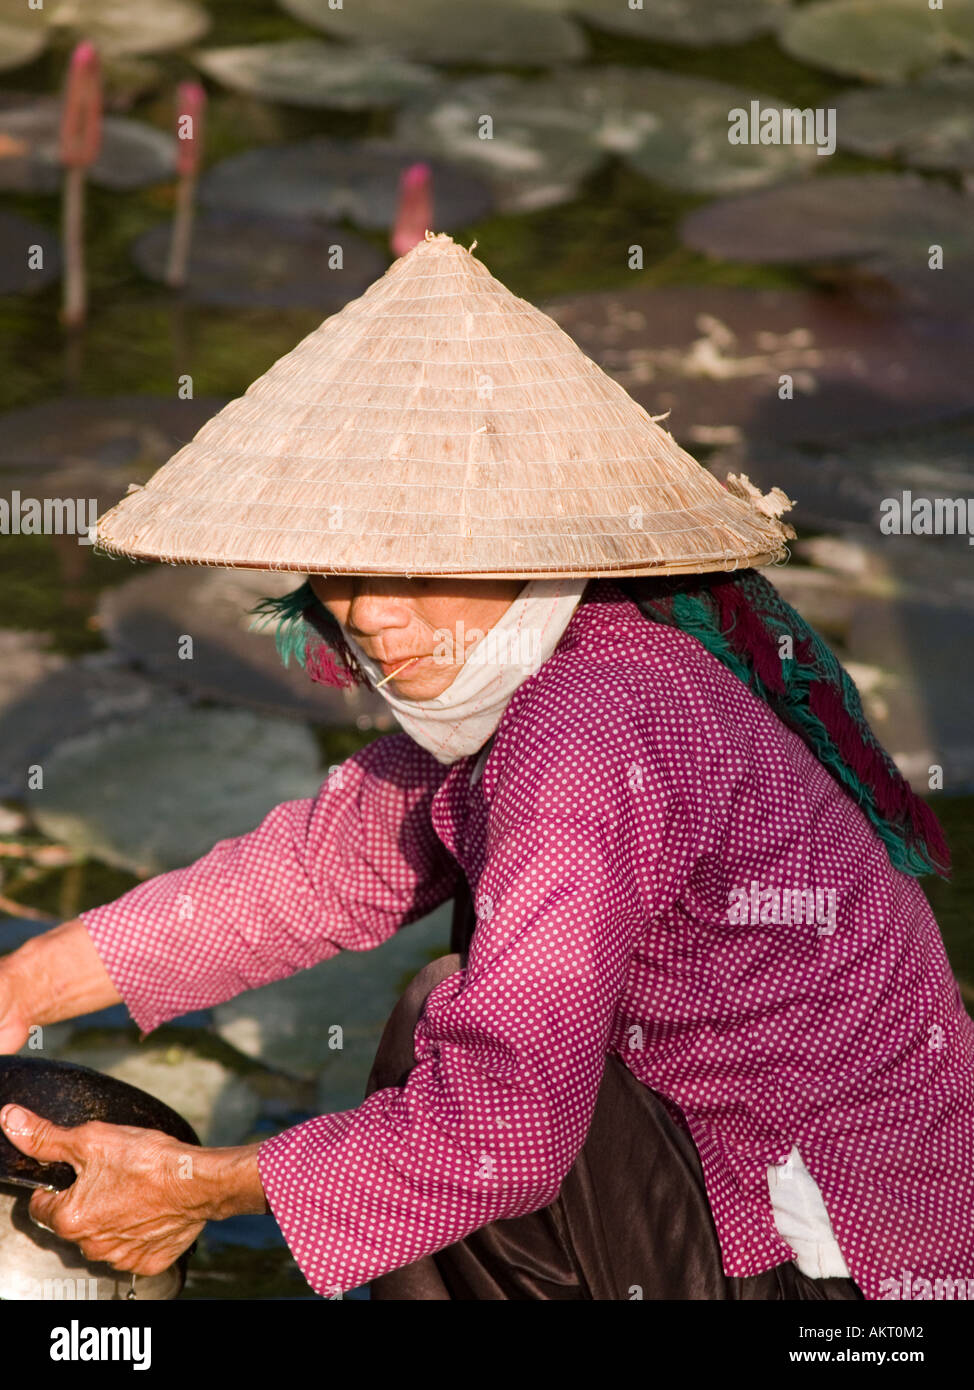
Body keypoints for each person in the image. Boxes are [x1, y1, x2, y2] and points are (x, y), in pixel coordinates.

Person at [0, 233, 970, 1301]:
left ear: (528, 545)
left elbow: (501, 1128)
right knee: (449, 1019)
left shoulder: (591, 725)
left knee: (443, 1035)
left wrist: (197, 1184)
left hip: (834, 1259)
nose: (370, 614)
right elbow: (316, 870)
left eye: (419, 563)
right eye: (344, 569)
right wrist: (22, 985)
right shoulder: (572, 662)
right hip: (751, 1178)